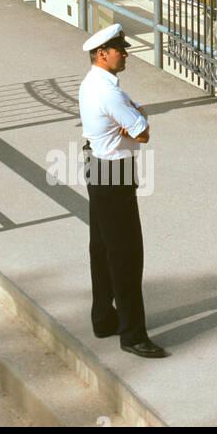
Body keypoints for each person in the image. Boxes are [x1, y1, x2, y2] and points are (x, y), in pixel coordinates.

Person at [78, 23, 167, 359]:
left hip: (96, 167)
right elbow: (142, 132)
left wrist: (132, 118)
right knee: (127, 255)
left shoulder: (92, 83)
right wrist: (136, 117)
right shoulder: (110, 92)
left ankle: (103, 317)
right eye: (120, 49)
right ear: (103, 54)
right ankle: (133, 334)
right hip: (114, 173)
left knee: (101, 247)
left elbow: (133, 122)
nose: (126, 54)